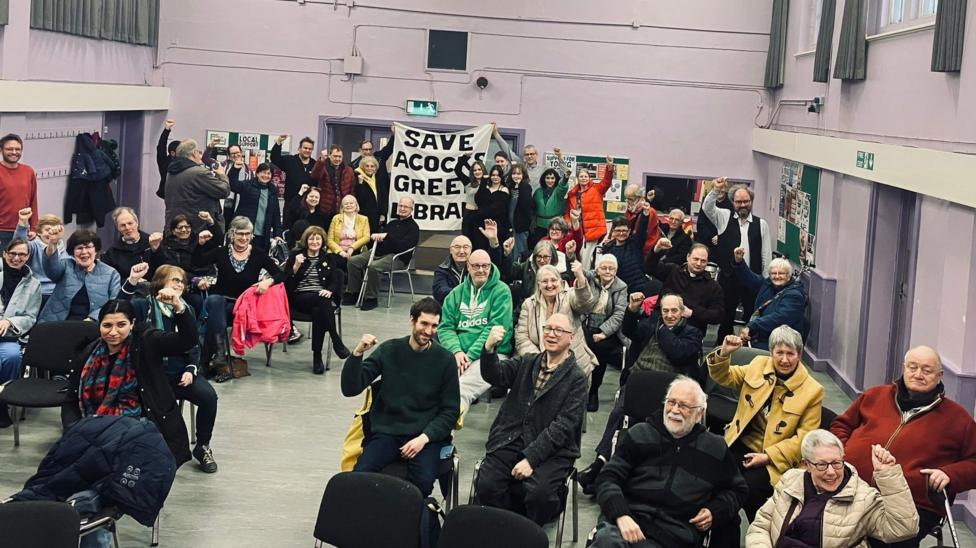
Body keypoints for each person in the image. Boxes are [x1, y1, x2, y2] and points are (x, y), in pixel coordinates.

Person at [830, 346, 976, 548]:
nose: (918, 374)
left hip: (912, 504)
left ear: (940, 375)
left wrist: (950, 474)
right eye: (912, 367)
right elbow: (841, 425)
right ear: (904, 368)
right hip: (851, 486)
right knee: (817, 527)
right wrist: (843, 451)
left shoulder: (958, 418)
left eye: (927, 370)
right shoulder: (874, 395)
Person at [590, 377, 747, 548]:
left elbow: (738, 490)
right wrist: (621, 515)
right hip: (626, 524)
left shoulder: (715, 448)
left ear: (700, 414)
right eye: (671, 402)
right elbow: (607, 478)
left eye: (684, 406)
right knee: (606, 542)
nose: (675, 410)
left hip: (673, 535)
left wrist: (715, 511)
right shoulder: (639, 434)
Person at [705, 327, 824, 543]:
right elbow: (724, 376)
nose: (785, 360)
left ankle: (763, 539)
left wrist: (768, 456)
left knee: (746, 492)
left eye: (790, 353)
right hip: (740, 443)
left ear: (799, 355)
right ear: (771, 353)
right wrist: (724, 353)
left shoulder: (812, 390)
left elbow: (806, 439)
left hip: (774, 459)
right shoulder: (758, 365)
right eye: (779, 353)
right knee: (718, 487)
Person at [578, 294, 705, 494]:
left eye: (674, 311)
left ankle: (601, 472)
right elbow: (630, 330)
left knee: (635, 425)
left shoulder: (692, 333)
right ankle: (600, 463)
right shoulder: (651, 325)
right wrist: (631, 310)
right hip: (638, 381)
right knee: (618, 414)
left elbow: (678, 352)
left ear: (682, 312)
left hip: (668, 390)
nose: (669, 315)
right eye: (665, 311)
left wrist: (662, 330)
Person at [341, 297, 460, 496]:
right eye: (424, 323)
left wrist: (423, 438)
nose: (428, 331)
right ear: (412, 320)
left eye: (434, 326)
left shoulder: (446, 360)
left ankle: (411, 515)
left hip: (426, 438)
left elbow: (450, 411)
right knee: (360, 477)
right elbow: (350, 388)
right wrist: (357, 353)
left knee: (421, 484)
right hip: (388, 433)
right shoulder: (390, 350)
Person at [474, 316, 587, 525]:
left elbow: (564, 426)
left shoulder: (577, 379)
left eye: (559, 330)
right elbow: (496, 376)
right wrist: (488, 350)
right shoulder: (527, 362)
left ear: (571, 337)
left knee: (539, 495)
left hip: (551, 450)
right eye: (548, 328)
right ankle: (504, 525)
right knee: (487, 485)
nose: (551, 334)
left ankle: (527, 531)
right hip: (511, 438)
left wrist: (531, 459)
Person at [63, 298, 197, 467]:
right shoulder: (88, 353)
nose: (113, 332)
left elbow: (187, 340)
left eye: (121, 325)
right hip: (94, 428)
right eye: (107, 325)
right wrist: (74, 430)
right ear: (99, 325)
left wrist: (179, 307)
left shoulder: (147, 342)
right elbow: (71, 400)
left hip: (141, 429)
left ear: (132, 324)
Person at [121, 265, 220, 474]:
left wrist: (191, 368)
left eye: (182, 282)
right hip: (151, 377)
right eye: (174, 280)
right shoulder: (143, 305)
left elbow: (194, 344)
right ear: (160, 282)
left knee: (209, 397)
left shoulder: (185, 308)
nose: (179, 285)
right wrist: (132, 282)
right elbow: (118, 310)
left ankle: (203, 446)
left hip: (179, 373)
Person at [747, 430, 920, 548]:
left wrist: (888, 474)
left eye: (836, 463)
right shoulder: (791, 480)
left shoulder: (863, 497)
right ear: (806, 465)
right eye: (822, 465)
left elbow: (904, 529)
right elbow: (762, 525)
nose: (831, 472)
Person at [192, 216, 287, 380]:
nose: (243, 238)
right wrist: (200, 244)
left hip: (244, 306)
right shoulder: (221, 252)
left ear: (251, 235)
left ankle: (206, 362)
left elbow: (281, 274)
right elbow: (197, 262)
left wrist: (268, 281)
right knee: (215, 302)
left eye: (247, 234)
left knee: (215, 315)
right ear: (232, 234)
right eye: (240, 234)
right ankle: (219, 356)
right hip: (220, 300)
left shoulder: (258, 254)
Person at [438, 249, 513, 410]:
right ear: (468, 266)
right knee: (430, 383)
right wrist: (456, 351)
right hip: (457, 354)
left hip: (491, 355)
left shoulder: (502, 291)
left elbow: (496, 329)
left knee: (460, 389)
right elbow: (445, 327)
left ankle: (447, 423)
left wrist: (470, 356)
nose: (481, 270)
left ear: (490, 266)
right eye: (476, 266)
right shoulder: (455, 294)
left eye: (485, 266)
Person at [701, 178, 772, 346]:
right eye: (739, 202)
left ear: (751, 201)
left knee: (752, 317)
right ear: (733, 202)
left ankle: (750, 349)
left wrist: (765, 281)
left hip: (752, 278)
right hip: (728, 277)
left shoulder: (761, 224)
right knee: (726, 316)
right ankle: (722, 348)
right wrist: (715, 190)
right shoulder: (724, 217)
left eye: (746, 201)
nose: (743, 205)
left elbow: (766, 254)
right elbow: (707, 208)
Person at [285, 225, 349, 373]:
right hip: (299, 298)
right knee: (323, 301)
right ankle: (336, 340)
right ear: (306, 241)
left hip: (320, 299)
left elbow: (335, 278)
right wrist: (296, 266)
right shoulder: (296, 256)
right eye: (311, 239)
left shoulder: (328, 258)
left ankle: (317, 357)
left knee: (319, 311)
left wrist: (330, 290)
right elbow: (287, 283)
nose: (314, 242)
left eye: (318, 239)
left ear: (323, 241)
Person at [515, 263, 596, 378]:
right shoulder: (528, 304)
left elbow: (585, 304)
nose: (549, 285)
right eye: (545, 281)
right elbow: (522, 337)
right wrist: (540, 360)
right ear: (538, 284)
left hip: (574, 367)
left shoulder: (569, 296)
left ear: (561, 282)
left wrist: (580, 278)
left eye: (553, 280)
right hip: (539, 368)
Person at [344, 197, 419, 312]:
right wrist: (376, 237)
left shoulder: (413, 227)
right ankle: (354, 292)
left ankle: (371, 298)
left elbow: (404, 247)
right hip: (378, 253)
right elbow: (382, 238)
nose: (402, 209)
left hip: (397, 258)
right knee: (353, 261)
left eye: (406, 207)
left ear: (411, 209)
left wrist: (387, 237)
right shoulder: (392, 223)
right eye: (401, 206)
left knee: (373, 266)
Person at [0, 238, 42, 428]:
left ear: (28, 257)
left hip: (10, 335)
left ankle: (3, 401)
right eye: (13, 253)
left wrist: (9, 322)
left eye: (22, 254)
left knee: (12, 357)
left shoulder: (34, 284)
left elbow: (30, 317)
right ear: (5, 254)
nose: (16, 258)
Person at [39, 229, 121, 322]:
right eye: (79, 248)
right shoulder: (66, 265)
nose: (84, 252)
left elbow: (114, 303)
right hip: (56, 323)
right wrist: (52, 243)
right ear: (72, 252)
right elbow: (51, 268)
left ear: (96, 250)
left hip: (91, 324)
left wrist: (93, 318)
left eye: (88, 247)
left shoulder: (111, 274)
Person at [645, 242, 724, 335]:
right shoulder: (673, 271)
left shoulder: (713, 287)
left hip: (690, 332)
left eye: (703, 261)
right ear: (688, 257)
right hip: (660, 325)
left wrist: (692, 313)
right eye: (695, 259)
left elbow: (718, 315)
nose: (698, 263)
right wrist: (656, 251)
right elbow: (649, 267)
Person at [584, 254, 628, 412]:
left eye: (611, 268)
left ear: (616, 271)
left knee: (601, 351)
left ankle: (593, 391)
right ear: (597, 269)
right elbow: (578, 273)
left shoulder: (621, 287)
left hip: (607, 329)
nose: (608, 271)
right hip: (586, 324)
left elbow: (619, 314)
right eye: (604, 268)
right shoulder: (590, 279)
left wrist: (604, 332)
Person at [734, 253, 807, 349]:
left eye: (781, 273)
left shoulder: (794, 296)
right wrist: (739, 262)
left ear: (789, 275)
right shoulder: (769, 284)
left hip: (780, 343)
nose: (777, 276)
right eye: (773, 273)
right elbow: (751, 279)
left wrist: (752, 326)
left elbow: (778, 318)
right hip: (761, 336)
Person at [164, 139, 231, 233]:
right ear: (194, 153)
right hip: (197, 229)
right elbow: (224, 191)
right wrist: (222, 174)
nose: (200, 155)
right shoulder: (199, 173)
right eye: (199, 152)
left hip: (176, 227)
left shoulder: (171, 172)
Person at [566, 156, 615, 268]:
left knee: (586, 257)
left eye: (585, 176)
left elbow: (607, 182)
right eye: (581, 176)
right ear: (578, 178)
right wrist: (568, 222)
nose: (583, 178)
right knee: (577, 254)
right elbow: (568, 211)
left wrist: (609, 167)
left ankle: (584, 275)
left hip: (593, 230)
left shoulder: (597, 189)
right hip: (577, 229)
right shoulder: (573, 194)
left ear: (589, 178)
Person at [11, 208, 65, 304]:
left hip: (57, 294)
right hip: (36, 292)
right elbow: (18, 246)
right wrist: (23, 222)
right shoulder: (33, 246)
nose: (51, 233)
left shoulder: (64, 250)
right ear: (39, 232)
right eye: (47, 230)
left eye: (54, 230)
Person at [101, 207, 162, 283]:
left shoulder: (153, 242)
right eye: (123, 225)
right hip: (126, 288)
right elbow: (109, 279)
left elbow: (165, 270)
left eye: (130, 223)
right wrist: (131, 280)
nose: (127, 228)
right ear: (117, 228)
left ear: (137, 223)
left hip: (153, 287)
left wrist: (156, 250)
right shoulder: (112, 253)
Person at [204, 140, 254, 232]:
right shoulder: (222, 165)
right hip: (225, 201)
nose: (236, 155)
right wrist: (210, 146)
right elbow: (205, 159)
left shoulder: (249, 170)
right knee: (224, 227)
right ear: (229, 155)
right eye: (233, 153)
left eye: (237, 152)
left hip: (242, 204)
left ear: (241, 153)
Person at [598, 207, 651, 293]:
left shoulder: (635, 243)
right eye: (618, 230)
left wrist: (645, 214)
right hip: (619, 290)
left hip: (638, 287)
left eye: (624, 231)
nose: (621, 233)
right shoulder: (608, 248)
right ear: (613, 231)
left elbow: (642, 230)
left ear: (629, 231)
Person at [231, 162, 282, 250]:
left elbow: (276, 215)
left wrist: (277, 235)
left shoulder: (273, 190)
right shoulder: (247, 185)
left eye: (268, 173)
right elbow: (233, 184)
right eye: (263, 172)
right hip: (244, 232)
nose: (266, 175)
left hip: (263, 235)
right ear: (257, 173)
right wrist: (235, 169)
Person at [0, 134, 39, 249]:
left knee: (20, 260)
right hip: (2, 230)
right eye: (9, 149)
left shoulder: (28, 171)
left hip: (23, 229)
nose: (14, 152)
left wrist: (34, 228)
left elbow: (33, 201)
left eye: (17, 149)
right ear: (1, 150)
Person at [313, 145, 357, 228]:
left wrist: (351, 205)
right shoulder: (323, 167)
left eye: (340, 157)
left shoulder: (348, 170)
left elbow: (352, 189)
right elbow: (315, 176)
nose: (337, 159)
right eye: (335, 156)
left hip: (342, 209)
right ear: (329, 156)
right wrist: (321, 160)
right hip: (325, 209)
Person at [454, 156, 488, 249]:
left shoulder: (489, 182)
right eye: (475, 170)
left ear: (483, 170)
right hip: (469, 215)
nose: (477, 172)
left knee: (480, 242)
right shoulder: (468, 182)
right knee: (467, 241)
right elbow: (457, 170)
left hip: (481, 216)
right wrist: (465, 157)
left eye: (479, 169)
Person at [475, 164, 512, 248]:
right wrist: (483, 181)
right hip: (482, 224)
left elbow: (495, 210)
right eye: (493, 175)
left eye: (498, 175)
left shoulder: (504, 190)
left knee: (495, 248)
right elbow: (477, 200)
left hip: (498, 226)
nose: (495, 177)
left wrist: (481, 210)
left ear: (501, 176)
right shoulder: (486, 188)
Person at [271, 135, 317, 202]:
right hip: (290, 202)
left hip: (308, 203)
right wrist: (278, 143)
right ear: (299, 148)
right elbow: (275, 158)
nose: (307, 150)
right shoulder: (290, 160)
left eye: (310, 149)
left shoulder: (315, 164)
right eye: (305, 148)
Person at [326, 194, 371, 264]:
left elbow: (367, 237)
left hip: (356, 250)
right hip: (338, 251)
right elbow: (329, 240)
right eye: (346, 204)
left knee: (354, 261)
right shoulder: (336, 218)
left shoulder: (364, 219)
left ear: (356, 205)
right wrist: (340, 251)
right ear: (342, 207)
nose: (349, 205)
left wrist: (352, 248)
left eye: (351, 203)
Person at [532, 165, 570, 246]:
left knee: (555, 247)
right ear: (544, 179)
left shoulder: (558, 192)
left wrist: (565, 178)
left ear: (556, 180)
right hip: (539, 227)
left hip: (556, 226)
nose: (550, 180)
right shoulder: (538, 192)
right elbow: (533, 207)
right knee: (539, 247)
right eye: (547, 178)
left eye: (552, 178)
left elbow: (562, 187)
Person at [622, 183, 660, 256]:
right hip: (630, 249)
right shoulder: (630, 211)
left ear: (640, 198)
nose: (628, 202)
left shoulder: (650, 212)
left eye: (630, 199)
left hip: (643, 252)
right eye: (626, 198)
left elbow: (642, 235)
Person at [508, 163, 535, 261]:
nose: (516, 176)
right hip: (510, 225)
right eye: (514, 173)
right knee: (511, 248)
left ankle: (520, 267)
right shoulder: (510, 187)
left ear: (523, 175)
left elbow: (526, 204)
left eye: (519, 174)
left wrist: (520, 185)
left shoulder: (526, 187)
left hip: (520, 226)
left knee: (521, 250)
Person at [433, 235, 472, 304]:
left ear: (471, 250)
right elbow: (439, 291)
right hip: (450, 306)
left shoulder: (477, 268)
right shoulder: (442, 270)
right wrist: (464, 293)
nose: (461, 251)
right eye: (457, 247)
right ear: (450, 250)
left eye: (465, 247)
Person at [354, 155, 387, 234]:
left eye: (372, 166)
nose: (369, 168)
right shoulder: (357, 179)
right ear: (363, 167)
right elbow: (360, 200)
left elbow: (384, 198)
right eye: (367, 166)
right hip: (362, 217)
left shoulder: (378, 180)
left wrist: (383, 214)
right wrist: (360, 184)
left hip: (376, 218)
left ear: (375, 168)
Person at [155, 119, 178, 199]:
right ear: (173, 153)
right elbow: (161, 147)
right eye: (181, 150)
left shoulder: (185, 161)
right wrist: (166, 130)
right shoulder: (164, 162)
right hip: (167, 193)